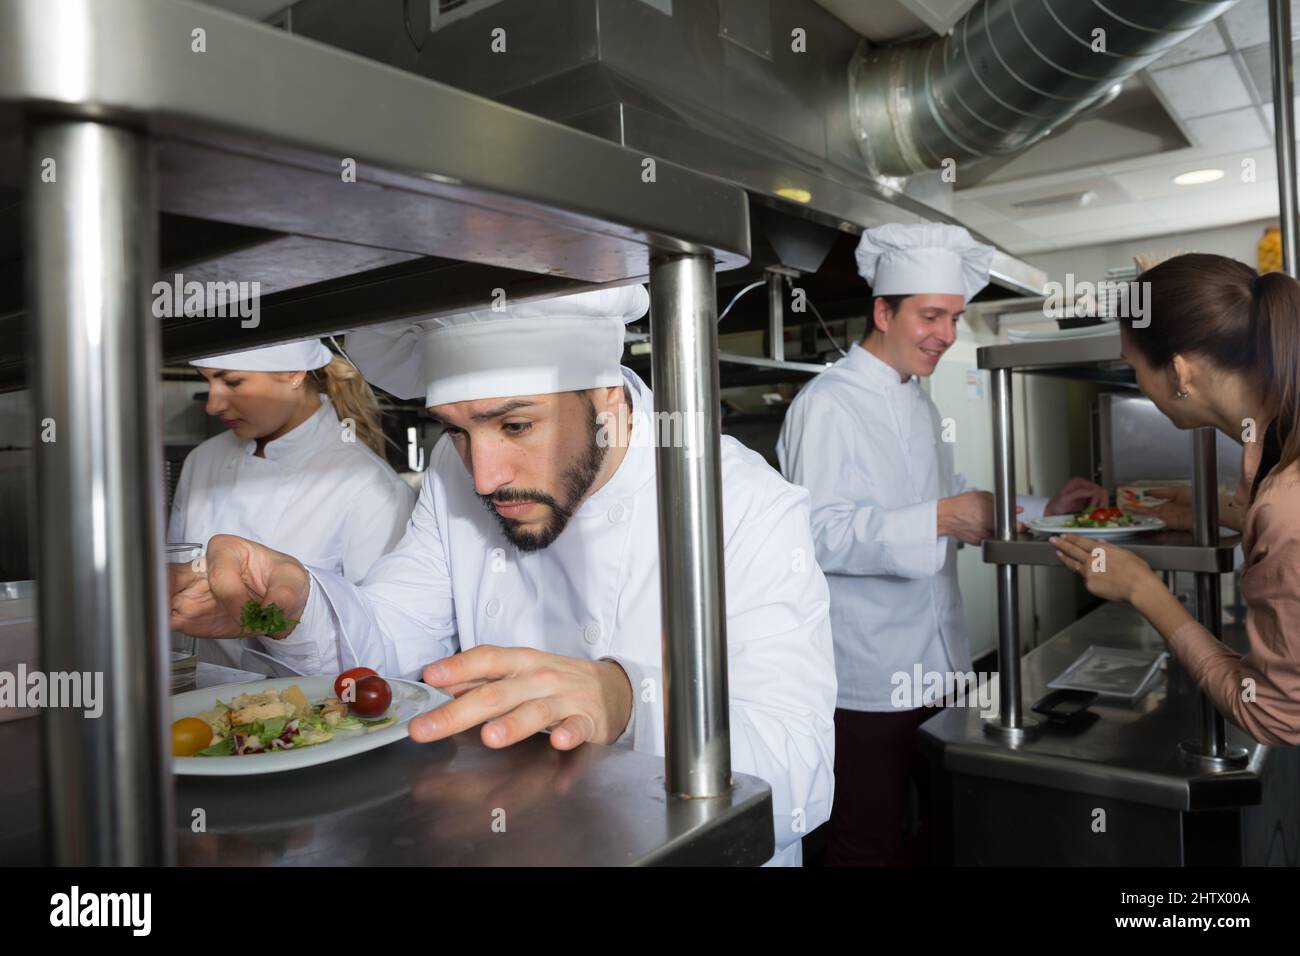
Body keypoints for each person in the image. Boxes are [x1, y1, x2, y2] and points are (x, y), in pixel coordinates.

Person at [169, 286, 837, 865]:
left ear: (606, 395)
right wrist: (301, 603)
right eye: (457, 431)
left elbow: (802, 774)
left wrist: (629, 699)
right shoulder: (454, 473)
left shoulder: (739, 500)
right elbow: (395, 649)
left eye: (516, 425)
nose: (484, 474)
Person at [776, 223, 1108, 866]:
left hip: (942, 665)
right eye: (931, 316)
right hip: (866, 677)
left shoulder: (921, 405)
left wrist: (1044, 509)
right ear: (882, 311)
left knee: (940, 828)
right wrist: (940, 517)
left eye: (954, 317)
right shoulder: (827, 406)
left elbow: (952, 498)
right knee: (866, 841)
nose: (947, 335)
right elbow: (815, 536)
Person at [1053, 253, 1300, 745]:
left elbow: (1276, 717)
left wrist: (1142, 587)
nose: (1139, 384)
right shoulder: (1276, 448)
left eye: (1134, 367)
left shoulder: (1285, 507)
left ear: (1181, 372)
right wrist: (1204, 506)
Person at [168, 338, 415, 674]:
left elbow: (378, 647)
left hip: (304, 715)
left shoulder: (370, 486)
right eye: (206, 380)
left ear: (293, 373)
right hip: (196, 706)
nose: (213, 405)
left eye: (232, 381)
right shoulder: (203, 461)